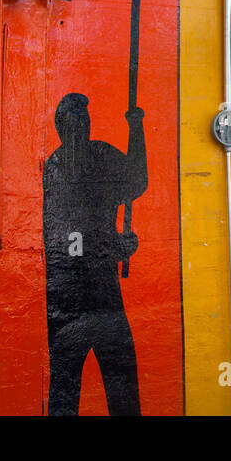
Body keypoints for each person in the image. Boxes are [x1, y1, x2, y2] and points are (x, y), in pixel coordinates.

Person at [43, 92, 147, 416]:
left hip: (105, 295)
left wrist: (136, 128)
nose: (81, 127)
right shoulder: (56, 169)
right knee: (65, 391)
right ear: (62, 127)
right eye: (74, 121)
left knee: (123, 386)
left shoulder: (100, 154)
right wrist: (112, 247)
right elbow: (67, 242)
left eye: (85, 120)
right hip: (67, 302)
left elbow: (134, 181)